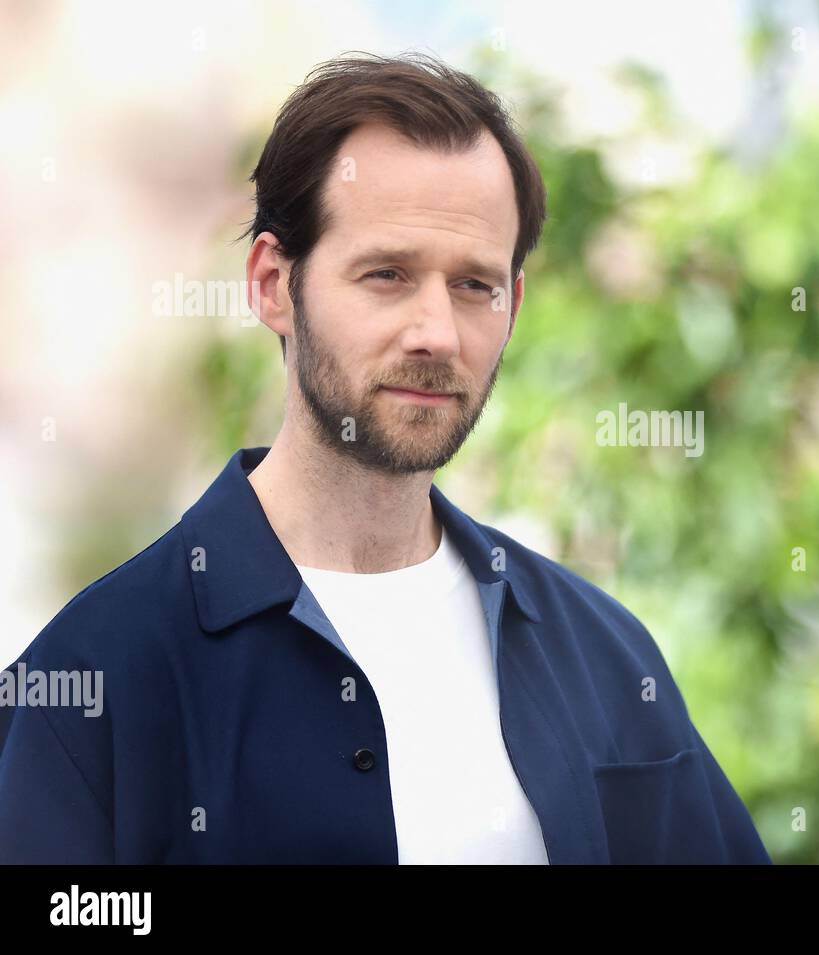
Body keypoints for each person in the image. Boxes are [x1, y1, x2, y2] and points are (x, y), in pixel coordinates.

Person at [0, 52, 771, 865]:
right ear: (271, 283)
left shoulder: (604, 653)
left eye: (475, 285)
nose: (436, 331)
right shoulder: (90, 684)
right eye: (387, 274)